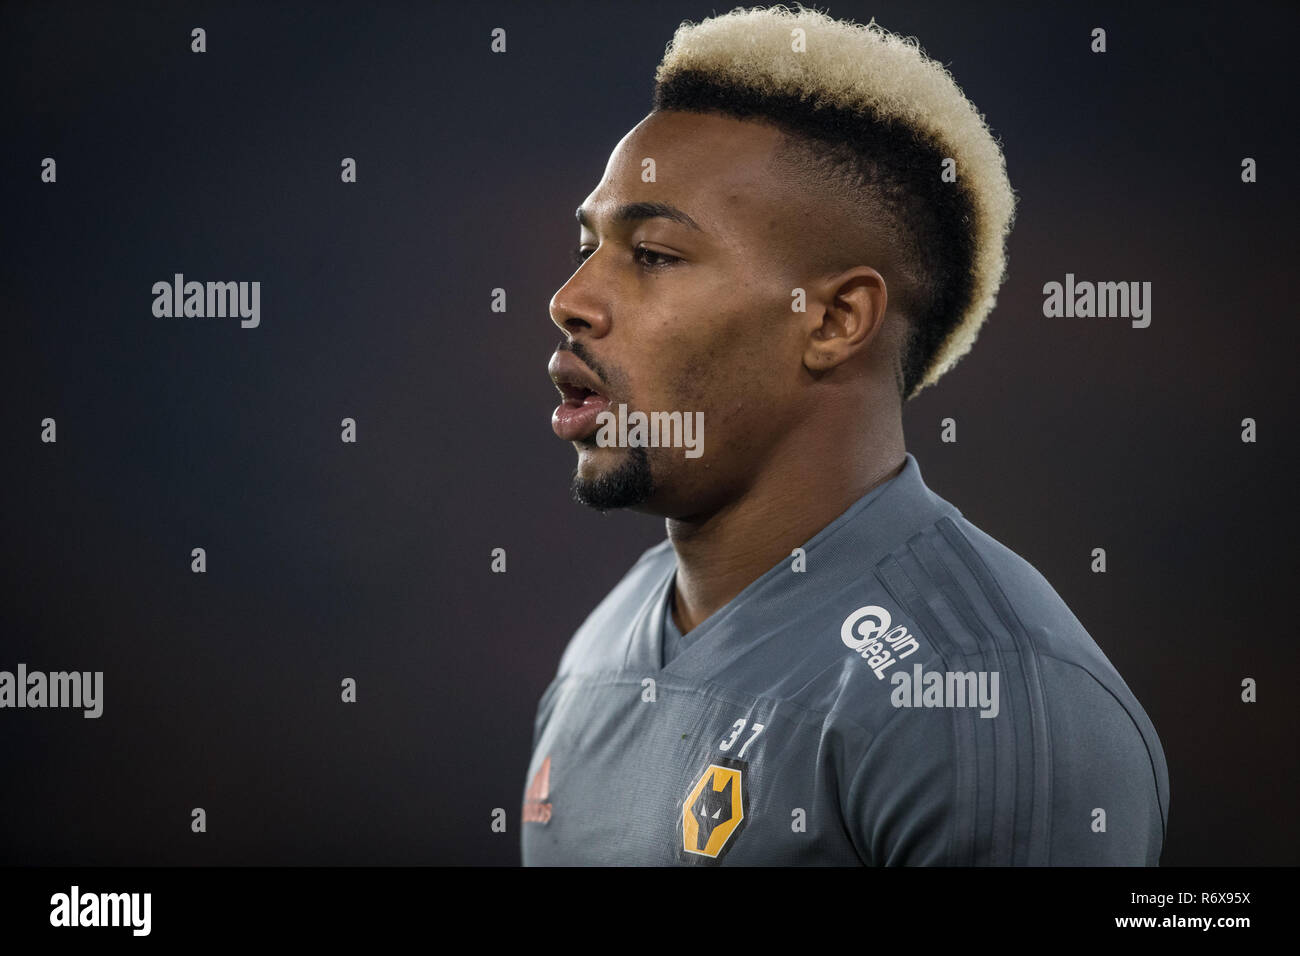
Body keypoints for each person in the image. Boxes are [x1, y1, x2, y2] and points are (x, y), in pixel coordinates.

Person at [524, 3, 1168, 865]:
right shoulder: (602, 648)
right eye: (588, 244)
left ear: (833, 320)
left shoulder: (984, 695)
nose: (571, 299)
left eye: (653, 255)